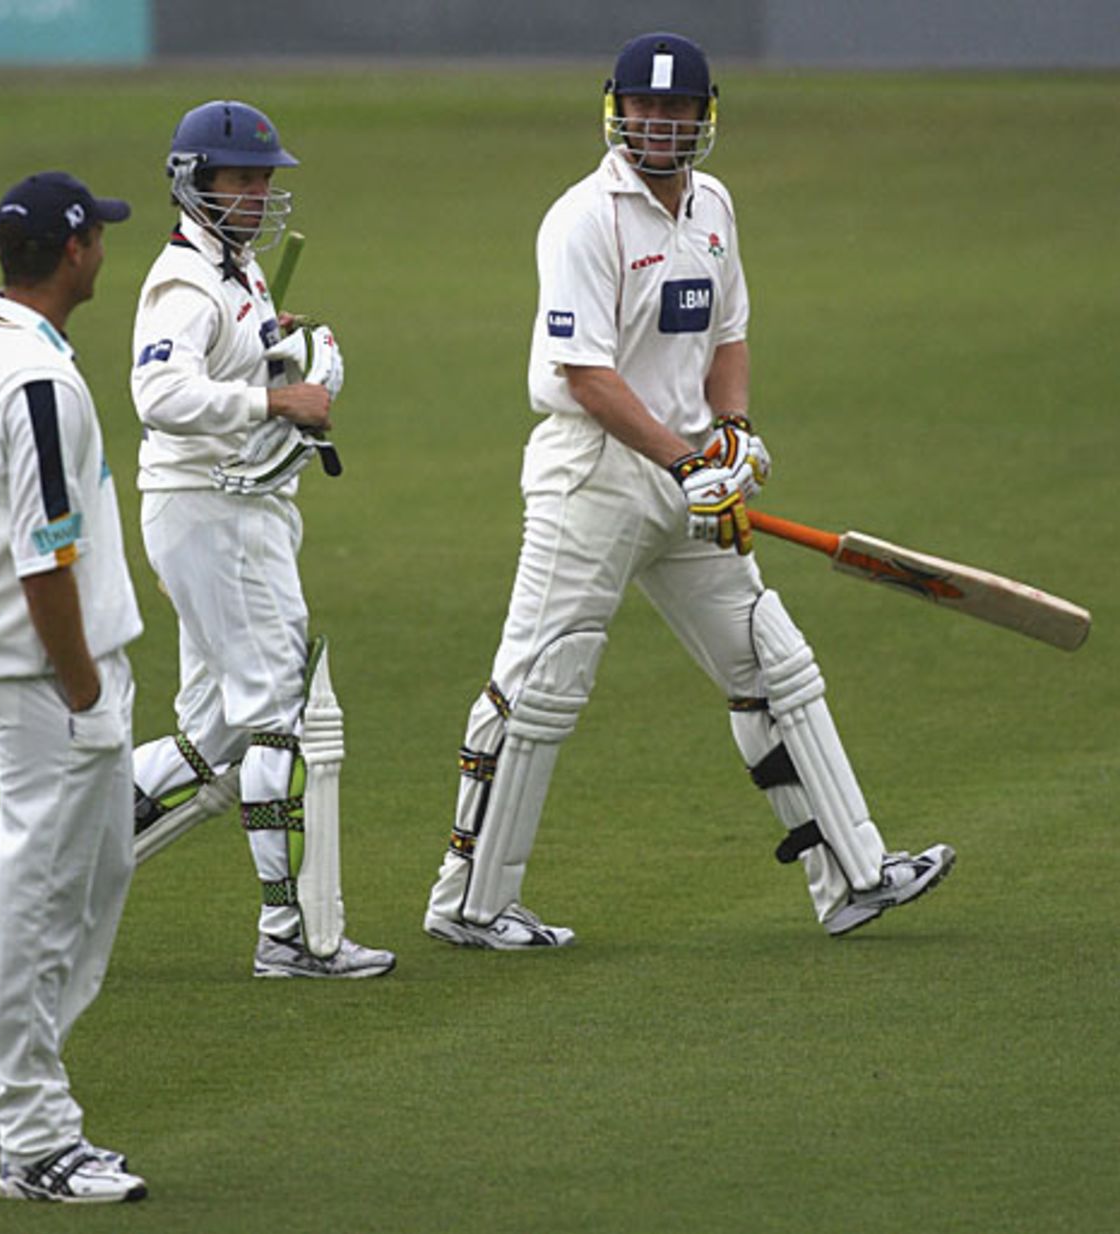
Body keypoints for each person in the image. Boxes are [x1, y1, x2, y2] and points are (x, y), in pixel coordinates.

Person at [423, 32, 956, 950]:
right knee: (541, 685)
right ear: (617, 111)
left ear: (705, 118)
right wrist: (685, 462)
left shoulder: (713, 204)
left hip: (692, 476)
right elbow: (586, 372)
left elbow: (729, 336)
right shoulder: (582, 218)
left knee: (768, 659)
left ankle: (854, 876)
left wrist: (735, 434)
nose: (662, 125)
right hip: (592, 474)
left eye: (679, 110)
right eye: (646, 108)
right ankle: (467, 902)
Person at [129, 99, 395, 979]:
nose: (258, 194)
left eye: (265, 179)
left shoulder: (237, 270)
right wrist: (275, 400)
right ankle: (289, 937)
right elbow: (159, 397)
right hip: (214, 511)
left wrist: (290, 355)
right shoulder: (183, 285)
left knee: (211, 738)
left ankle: (63, 863)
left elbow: (238, 364)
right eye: (242, 179)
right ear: (195, 183)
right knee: (281, 716)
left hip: (231, 509)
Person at [0, 171, 148, 1202]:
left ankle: (6, 1101)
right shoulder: (38, 386)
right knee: (42, 888)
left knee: (95, 874)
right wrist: (81, 689)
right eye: (99, 239)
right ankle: (33, 1134)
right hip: (43, 673)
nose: (107, 250)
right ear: (72, 252)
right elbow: (44, 560)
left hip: (45, 664)